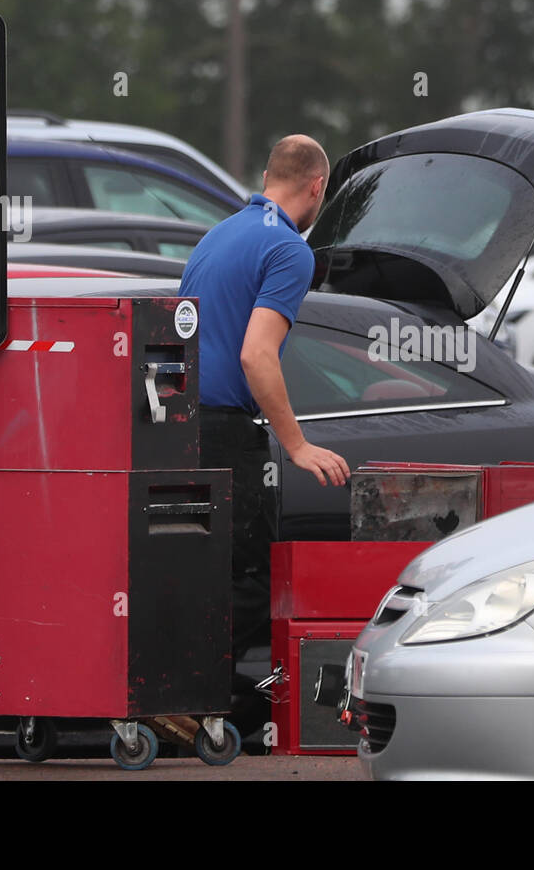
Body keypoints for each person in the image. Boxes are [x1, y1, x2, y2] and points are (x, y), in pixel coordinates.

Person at [178, 134, 350, 735]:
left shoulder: (217, 235)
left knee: (197, 571)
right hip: (226, 432)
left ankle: (202, 694)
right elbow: (257, 355)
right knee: (255, 580)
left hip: (179, 427)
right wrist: (298, 445)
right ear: (316, 187)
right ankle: (199, 693)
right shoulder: (288, 249)